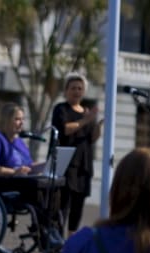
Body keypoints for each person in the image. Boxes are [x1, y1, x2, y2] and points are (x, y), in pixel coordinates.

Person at [0, 102, 63, 247]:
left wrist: (47, 164)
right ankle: (42, 233)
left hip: (18, 182)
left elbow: (28, 168)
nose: (21, 123)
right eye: (17, 119)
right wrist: (14, 172)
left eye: (22, 119)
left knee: (52, 186)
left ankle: (52, 229)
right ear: (5, 120)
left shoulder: (19, 142)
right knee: (36, 187)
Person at [52, 73, 102, 237]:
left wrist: (98, 125)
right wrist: (86, 120)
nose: (76, 91)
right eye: (73, 88)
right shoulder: (61, 109)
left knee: (78, 207)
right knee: (63, 205)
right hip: (66, 164)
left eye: (80, 88)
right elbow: (66, 129)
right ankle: (57, 241)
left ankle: (71, 240)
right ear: (66, 90)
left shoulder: (86, 113)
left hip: (83, 165)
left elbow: (92, 138)